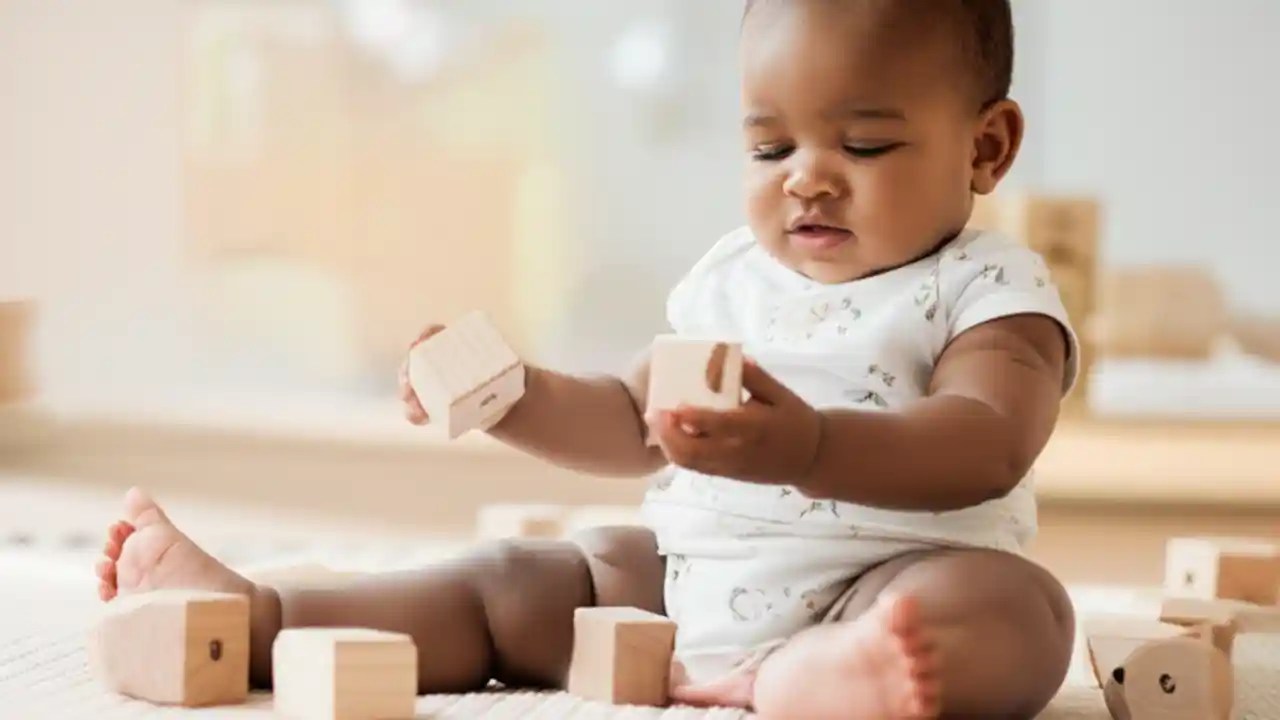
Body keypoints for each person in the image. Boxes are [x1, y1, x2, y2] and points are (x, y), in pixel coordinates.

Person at [95, 2, 1078, 717]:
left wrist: (807, 445)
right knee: (513, 580)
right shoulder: (728, 282)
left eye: (863, 145)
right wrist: (511, 395)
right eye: (769, 148)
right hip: (681, 580)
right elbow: (625, 416)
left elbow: (985, 443)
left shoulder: (989, 290)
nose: (807, 179)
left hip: (888, 583)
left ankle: (830, 679)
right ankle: (261, 615)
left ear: (984, 149)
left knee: (1020, 614)